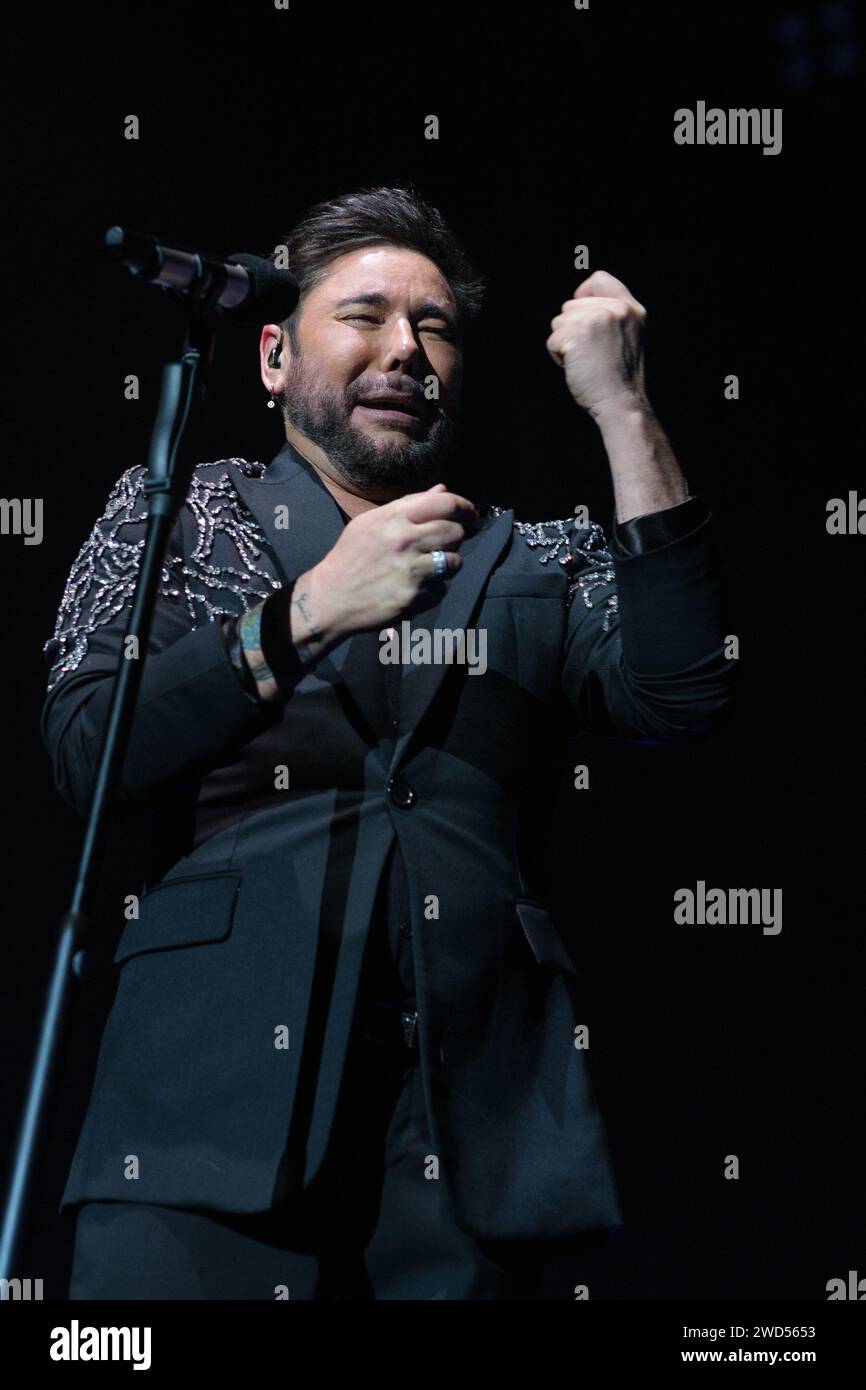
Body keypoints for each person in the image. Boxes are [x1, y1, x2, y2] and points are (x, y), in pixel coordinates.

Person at [41, 185, 736, 1300]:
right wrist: (303, 614)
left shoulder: (531, 553)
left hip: (473, 1149)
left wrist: (621, 410)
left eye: (435, 327)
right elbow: (85, 750)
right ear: (272, 357)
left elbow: (685, 687)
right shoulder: (178, 514)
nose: (404, 349)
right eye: (363, 316)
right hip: (196, 1138)